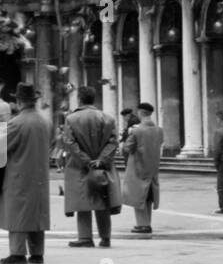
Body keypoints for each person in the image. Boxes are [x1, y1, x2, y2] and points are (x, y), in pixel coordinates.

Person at [0, 83, 50, 264]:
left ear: (19, 101)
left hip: (19, 174)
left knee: (17, 212)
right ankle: (37, 253)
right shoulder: (44, 121)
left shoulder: (17, 122)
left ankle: (18, 253)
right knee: (36, 212)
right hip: (40, 175)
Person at [63, 87, 121, 249]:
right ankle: (105, 237)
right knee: (102, 201)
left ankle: (85, 237)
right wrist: (101, 160)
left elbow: (70, 143)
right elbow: (113, 141)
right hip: (102, 166)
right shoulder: (108, 118)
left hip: (79, 166)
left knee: (83, 202)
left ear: (80, 99)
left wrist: (86, 160)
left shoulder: (71, 119)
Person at [122, 102, 164, 235]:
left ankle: (142, 225)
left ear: (140, 112)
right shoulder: (159, 130)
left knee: (138, 196)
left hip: (138, 167)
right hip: (152, 167)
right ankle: (147, 223)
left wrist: (128, 134)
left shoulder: (136, 130)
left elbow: (126, 148)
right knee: (149, 197)